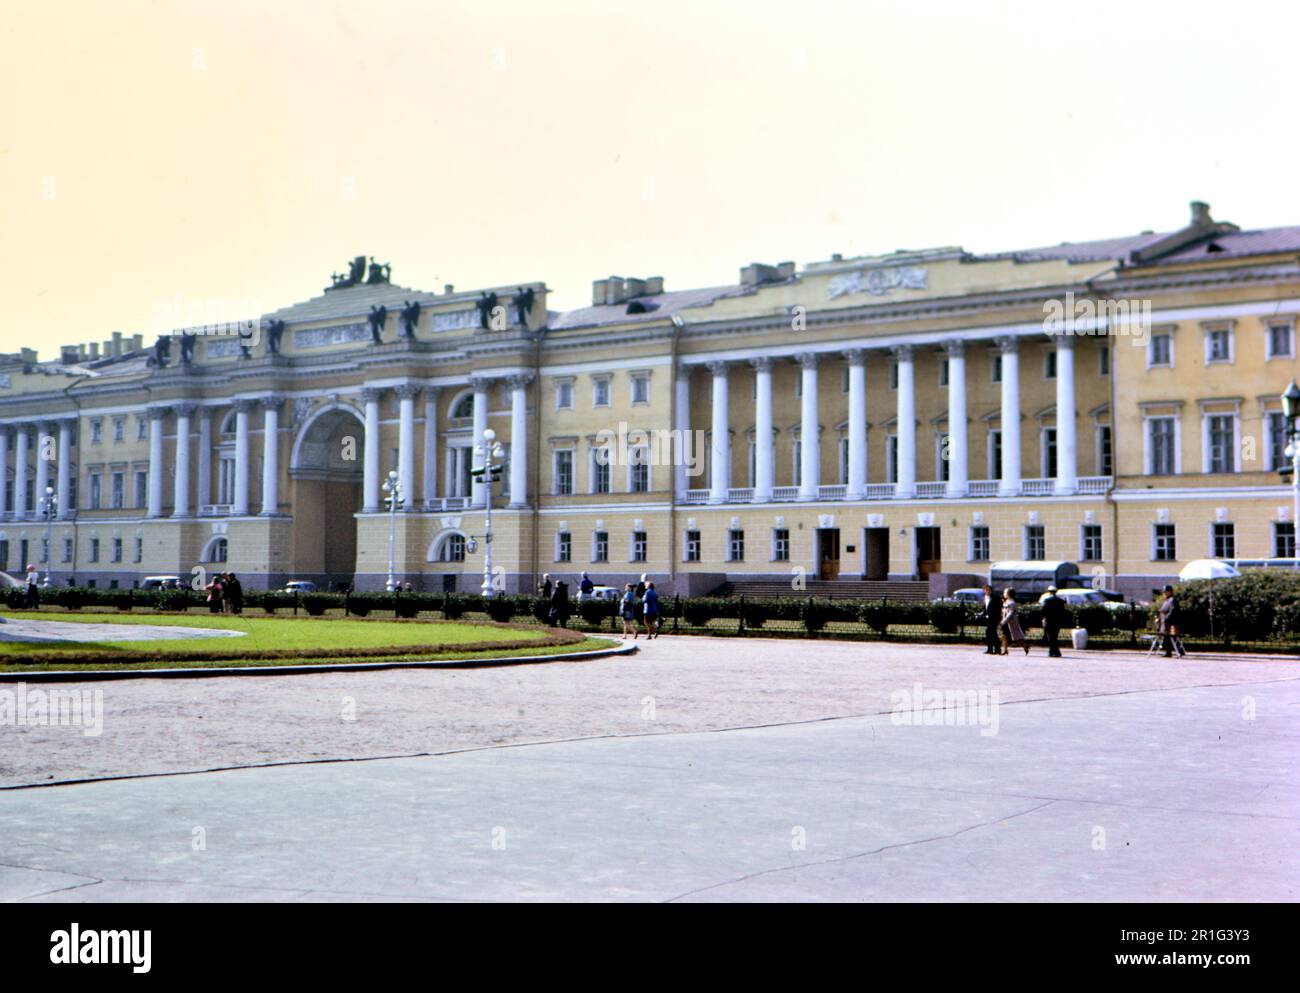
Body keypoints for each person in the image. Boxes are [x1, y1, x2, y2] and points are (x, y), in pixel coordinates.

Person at [1157, 585, 1186, 658]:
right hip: (1165, 623)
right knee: (1166, 638)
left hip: (1171, 622)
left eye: (1166, 592)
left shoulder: (1173, 600)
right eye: (1164, 592)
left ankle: (1180, 651)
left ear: (1170, 592)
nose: (1165, 593)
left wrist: (1167, 618)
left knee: (1173, 638)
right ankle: (1168, 652)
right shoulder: (1166, 600)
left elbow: (1172, 611)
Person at [1040, 585, 1068, 658]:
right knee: (1054, 637)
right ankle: (1054, 651)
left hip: (1049, 621)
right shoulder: (1060, 601)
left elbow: (1043, 611)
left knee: (1051, 637)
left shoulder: (1047, 601)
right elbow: (1063, 612)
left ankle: (1053, 652)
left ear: (1049, 592)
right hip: (1057, 621)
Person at [1000, 588, 1028, 655]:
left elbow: (1010, 613)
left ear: (1008, 594)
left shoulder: (1012, 603)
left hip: (1011, 622)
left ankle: (1025, 645)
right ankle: (1005, 650)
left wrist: (1004, 621)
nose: (1004, 594)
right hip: (1006, 622)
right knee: (1004, 635)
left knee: (1016, 637)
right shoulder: (1006, 602)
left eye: (1005, 592)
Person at [977, 584, 1000, 655]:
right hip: (988, 618)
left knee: (990, 632)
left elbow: (998, 609)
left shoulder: (996, 598)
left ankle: (996, 649)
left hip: (994, 618)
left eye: (988, 590)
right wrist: (982, 613)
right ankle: (991, 649)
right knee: (991, 633)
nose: (987, 591)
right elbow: (985, 608)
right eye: (985, 590)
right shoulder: (985, 598)